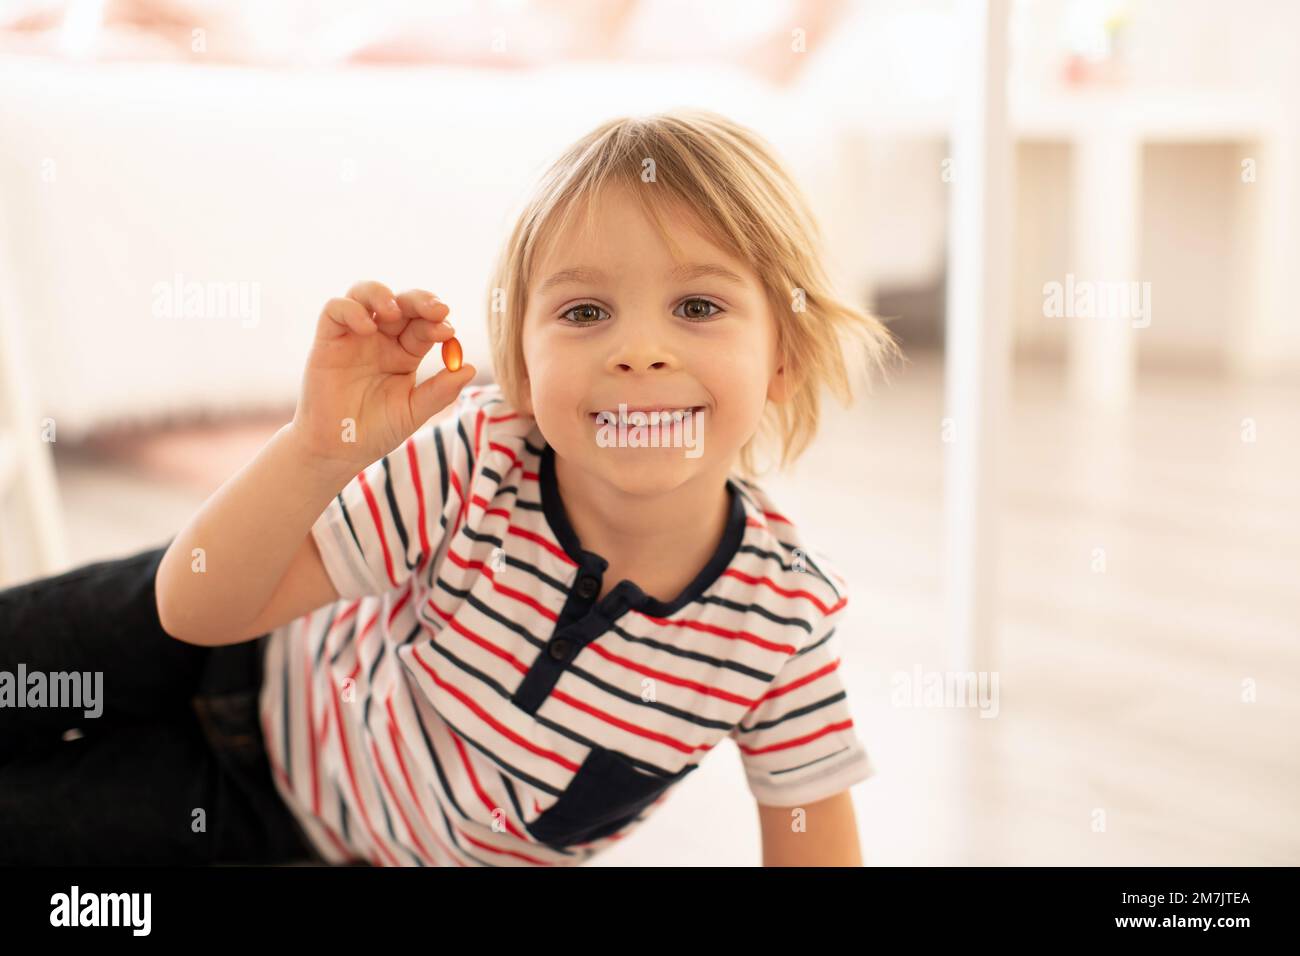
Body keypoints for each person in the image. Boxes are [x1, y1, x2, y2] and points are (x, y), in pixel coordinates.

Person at [1, 107, 896, 866]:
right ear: (523, 364)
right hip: (237, 631)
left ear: (784, 356)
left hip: (279, 830)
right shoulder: (480, 457)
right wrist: (319, 450)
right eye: (585, 313)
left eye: (698, 307)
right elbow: (193, 608)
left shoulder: (778, 621)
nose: (639, 350)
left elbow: (812, 837)